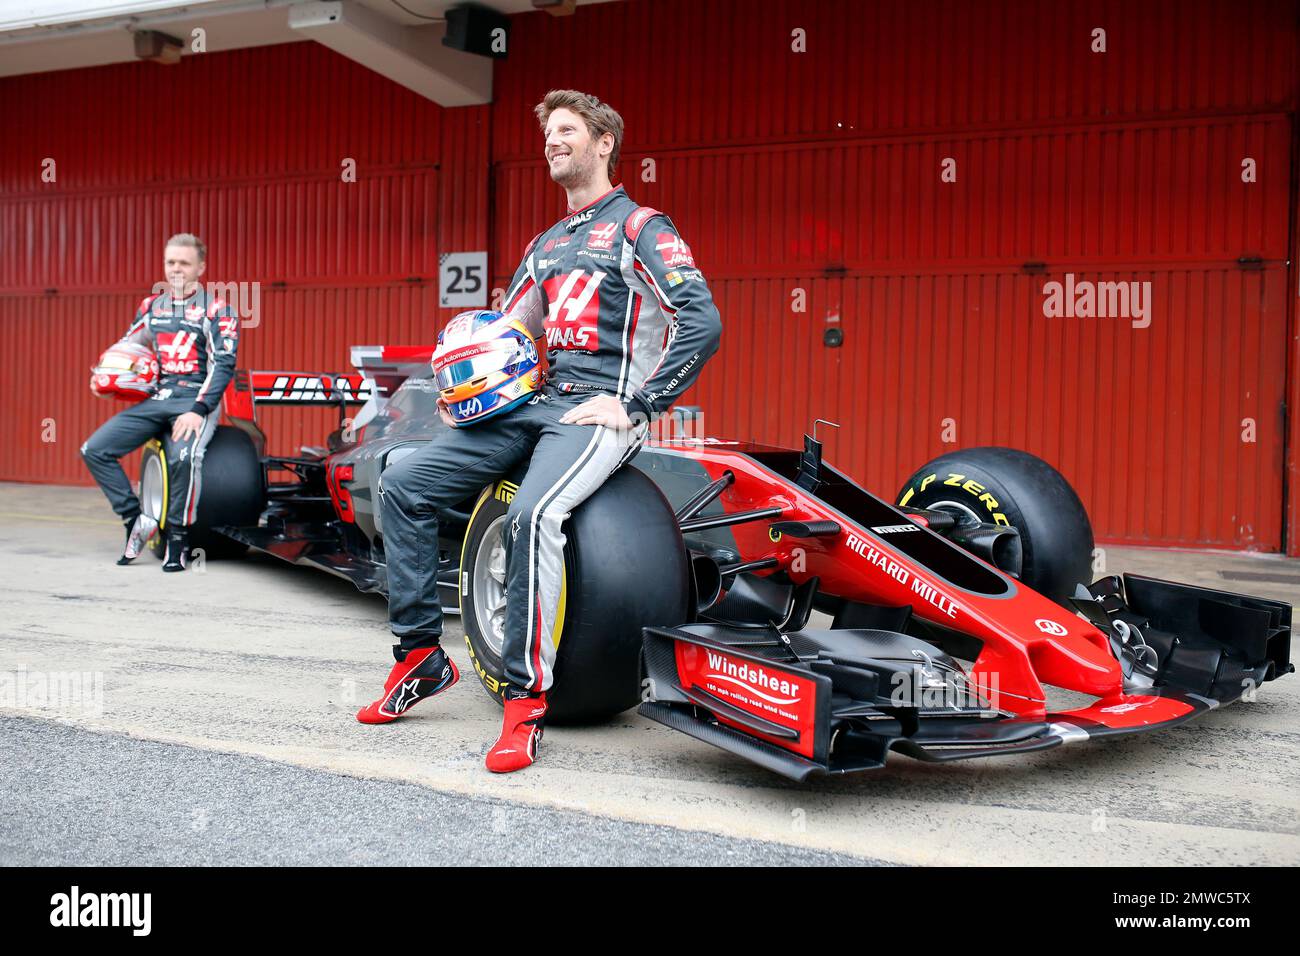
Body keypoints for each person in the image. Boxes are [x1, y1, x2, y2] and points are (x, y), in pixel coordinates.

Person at [358, 89, 723, 773]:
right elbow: (510, 330)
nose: (553, 141)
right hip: (533, 403)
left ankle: (524, 704)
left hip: (597, 410)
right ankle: (419, 658)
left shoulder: (643, 227)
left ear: (604, 141)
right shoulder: (547, 242)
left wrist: (640, 403)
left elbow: (701, 322)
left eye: (567, 130)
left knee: (531, 514)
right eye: (548, 133)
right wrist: (463, 395)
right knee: (403, 479)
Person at [81, 233, 239, 571]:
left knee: (184, 457)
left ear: (201, 267)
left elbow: (224, 364)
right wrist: (105, 379)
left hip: (195, 399)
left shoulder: (218, 309)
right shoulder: (151, 306)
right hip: (159, 397)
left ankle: (178, 540)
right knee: (94, 449)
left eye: (184, 262)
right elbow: (129, 346)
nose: (176, 269)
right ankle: (135, 522)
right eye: (171, 262)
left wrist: (199, 410)